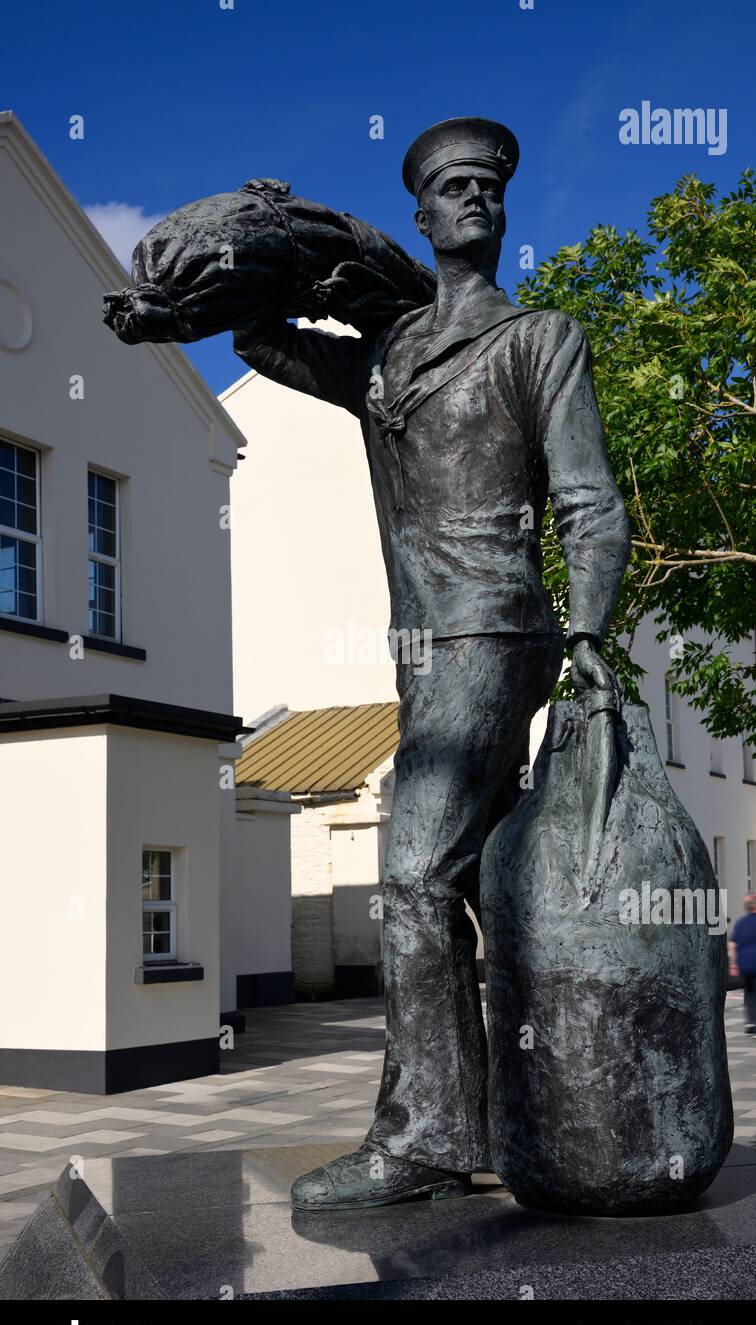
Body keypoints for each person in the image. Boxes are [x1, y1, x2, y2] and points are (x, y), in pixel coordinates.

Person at [233, 117, 631, 1209]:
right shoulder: (387, 356)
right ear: (420, 215)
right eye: (452, 189)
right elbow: (261, 343)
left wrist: (591, 634)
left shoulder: (539, 338)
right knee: (479, 885)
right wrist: (277, 239)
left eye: (487, 189)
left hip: (499, 631)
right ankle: (520, 1116)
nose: (473, 203)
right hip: (426, 648)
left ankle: (424, 1138)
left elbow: (592, 503)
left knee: (409, 878)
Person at [730, 894, 756, 1035]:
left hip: (745, 965)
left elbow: (733, 945)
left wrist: (733, 964)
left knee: (749, 993)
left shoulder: (740, 923)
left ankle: (751, 1023)